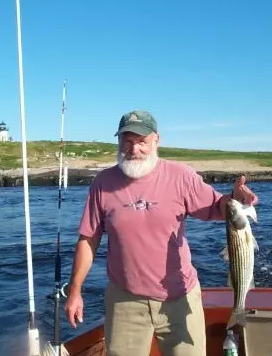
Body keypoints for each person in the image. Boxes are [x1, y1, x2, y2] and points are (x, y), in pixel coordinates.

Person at [64, 109, 258, 356]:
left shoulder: (181, 176)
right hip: (125, 301)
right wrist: (75, 290)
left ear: (156, 140)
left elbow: (217, 206)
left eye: (142, 141)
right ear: (119, 141)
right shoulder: (103, 183)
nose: (134, 149)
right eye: (128, 140)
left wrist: (235, 199)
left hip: (180, 299)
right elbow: (88, 239)